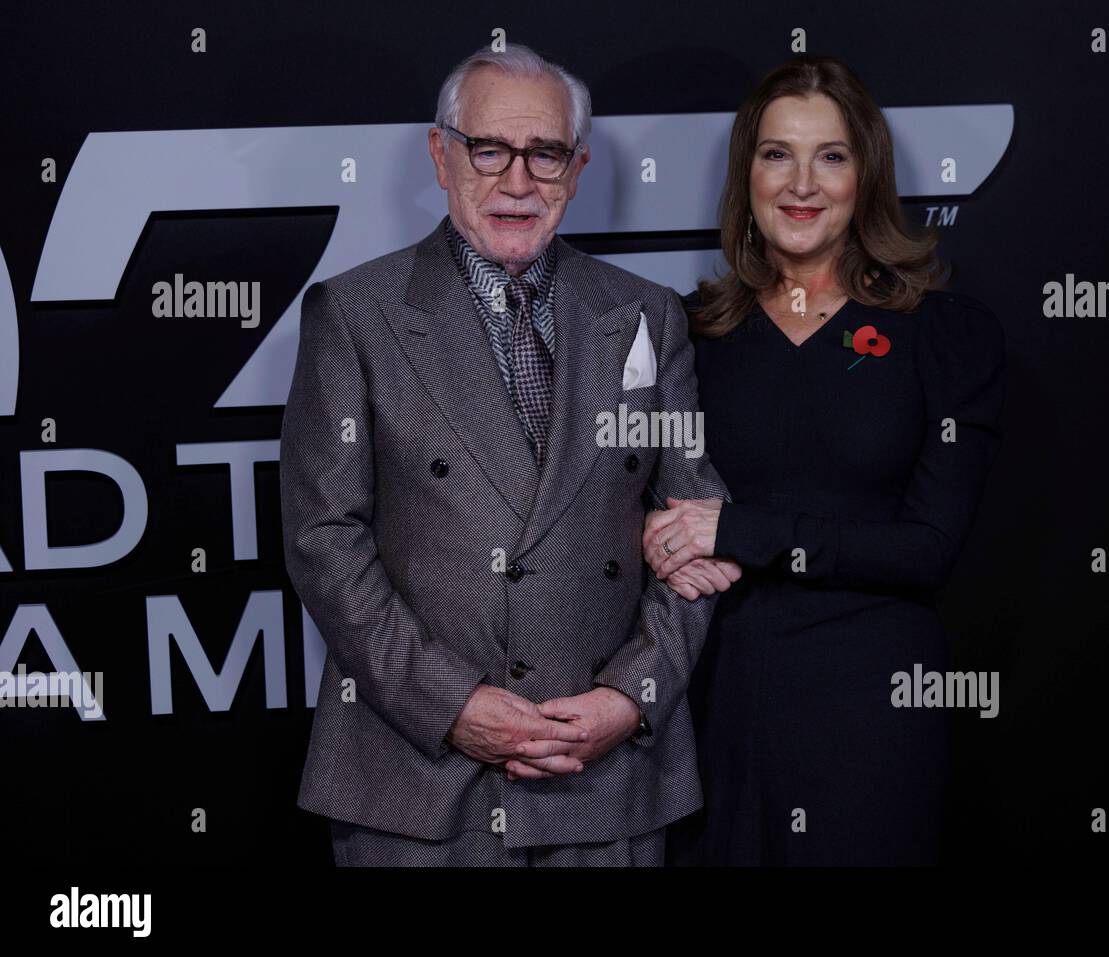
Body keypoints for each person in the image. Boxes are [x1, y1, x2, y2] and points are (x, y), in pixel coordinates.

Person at [280, 41, 741, 867]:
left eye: (546, 153)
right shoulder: (355, 314)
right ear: (441, 154)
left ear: (578, 166)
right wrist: (451, 704)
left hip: (605, 782)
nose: (518, 182)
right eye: (488, 150)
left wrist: (628, 697)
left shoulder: (648, 314)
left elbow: (692, 531)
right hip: (418, 781)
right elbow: (324, 540)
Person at [644, 55, 1007, 865]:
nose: (801, 183)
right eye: (777, 154)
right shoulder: (687, 334)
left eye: (831, 156)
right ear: (747, 175)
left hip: (870, 709)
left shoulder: (944, 336)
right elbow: (640, 505)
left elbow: (928, 549)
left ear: (865, 175)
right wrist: (651, 534)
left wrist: (740, 529)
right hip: (713, 702)